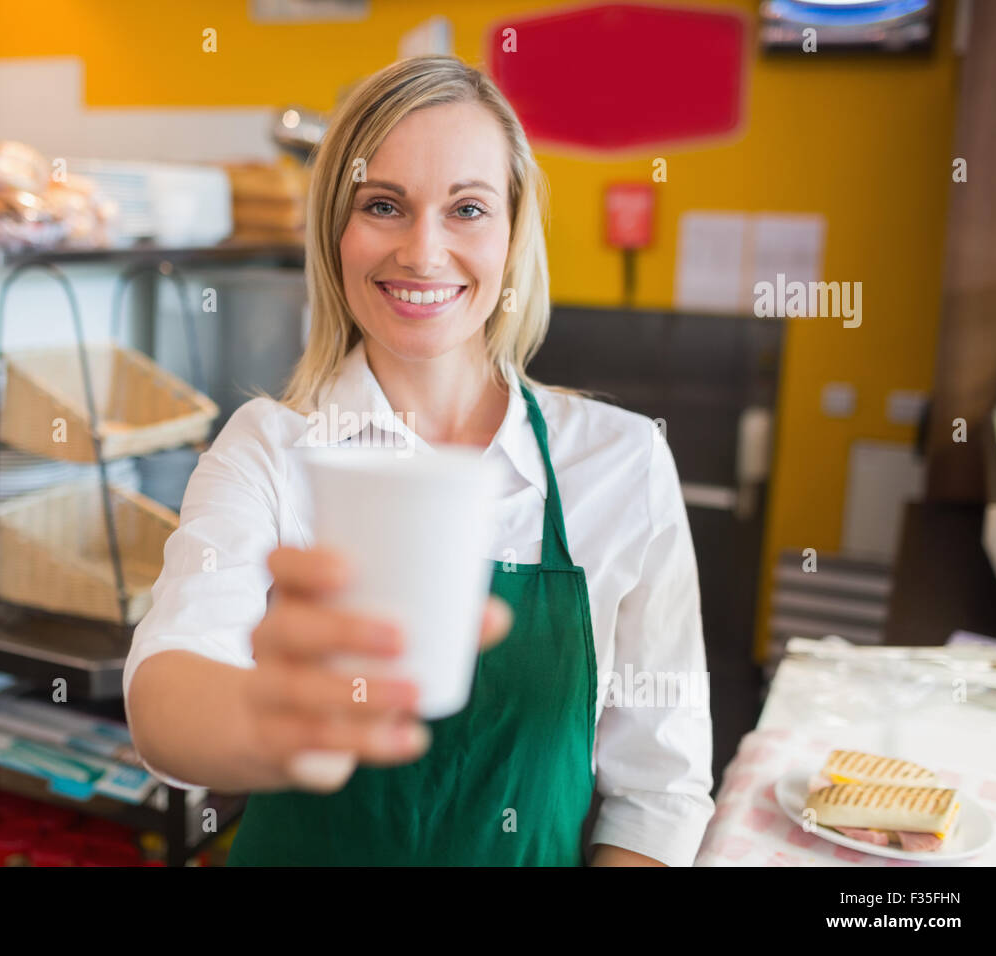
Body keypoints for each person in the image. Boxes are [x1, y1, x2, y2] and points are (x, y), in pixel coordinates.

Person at [124, 54, 714, 866]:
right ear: (335, 231)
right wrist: (279, 724)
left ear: (513, 235)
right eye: (384, 205)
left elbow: (658, 794)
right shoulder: (267, 449)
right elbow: (168, 688)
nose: (423, 251)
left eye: (467, 208)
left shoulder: (621, 462)